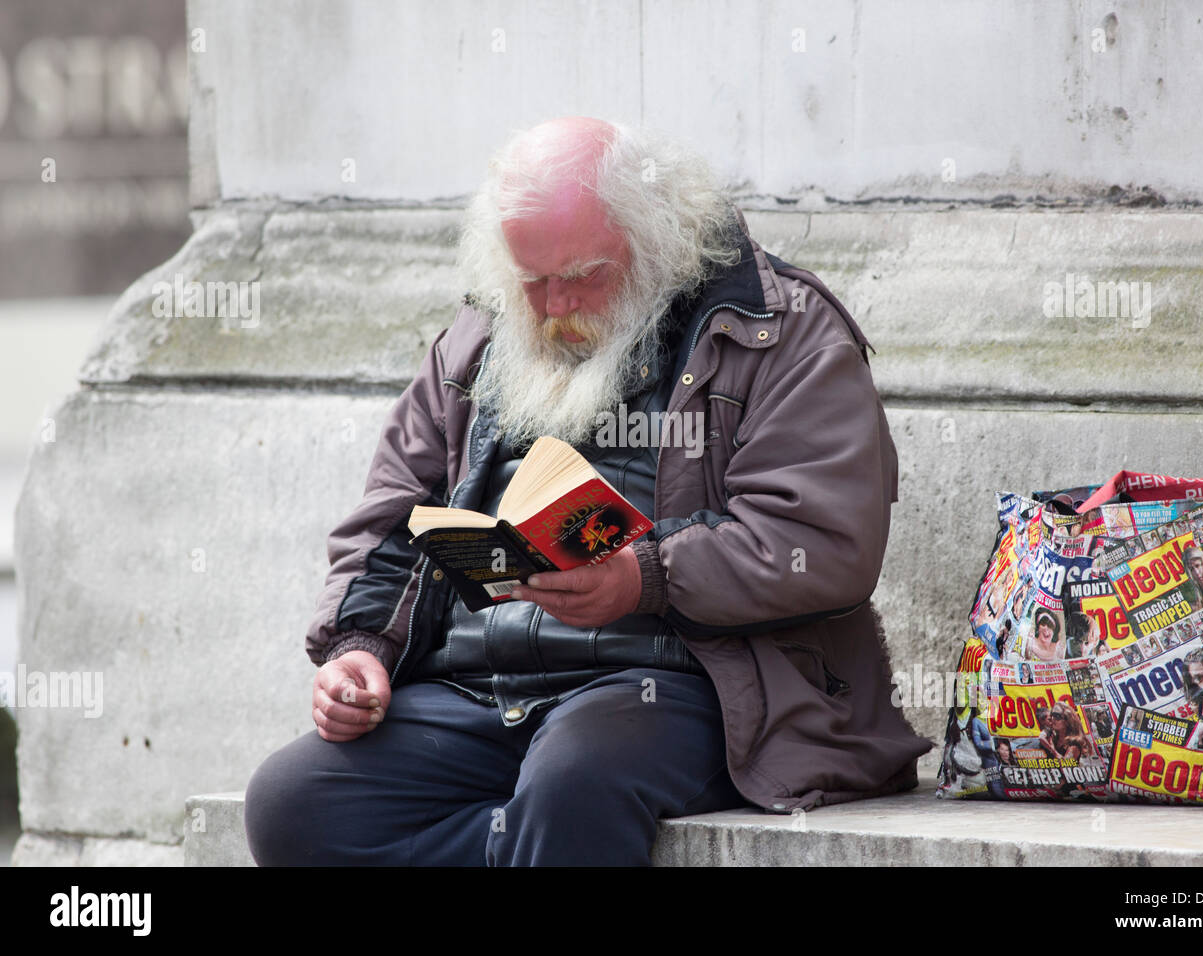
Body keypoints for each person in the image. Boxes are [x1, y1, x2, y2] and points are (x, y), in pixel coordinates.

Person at [243, 117, 930, 866]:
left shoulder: (780, 330)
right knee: (297, 801)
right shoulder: (480, 334)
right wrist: (360, 648)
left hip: (683, 686)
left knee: (575, 780)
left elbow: (821, 543)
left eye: (583, 275)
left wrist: (646, 577)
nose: (557, 306)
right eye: (533, 281)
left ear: (656, 237)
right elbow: (392, 512)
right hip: (478, 688)